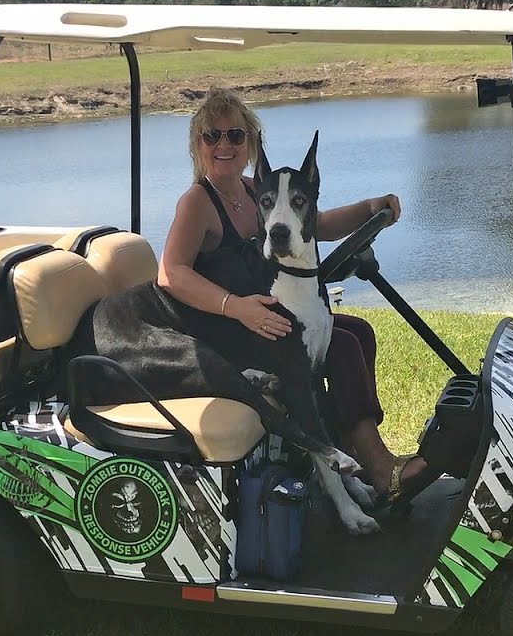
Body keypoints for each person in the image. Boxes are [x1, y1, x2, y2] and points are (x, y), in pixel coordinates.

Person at [156, 86, 434, 504]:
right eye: (212, 136)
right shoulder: (197, 201)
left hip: (269, 318)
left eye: (235, 135)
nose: (224, 145)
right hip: (231, 330)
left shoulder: (254, 191)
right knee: (341, 344)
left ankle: (351, 451)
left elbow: (315, 224)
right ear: (198, 145)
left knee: (358, 331)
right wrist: (236, 308)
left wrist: (369, 208)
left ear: (250, 143)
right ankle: (379, 468)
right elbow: (170, 273)